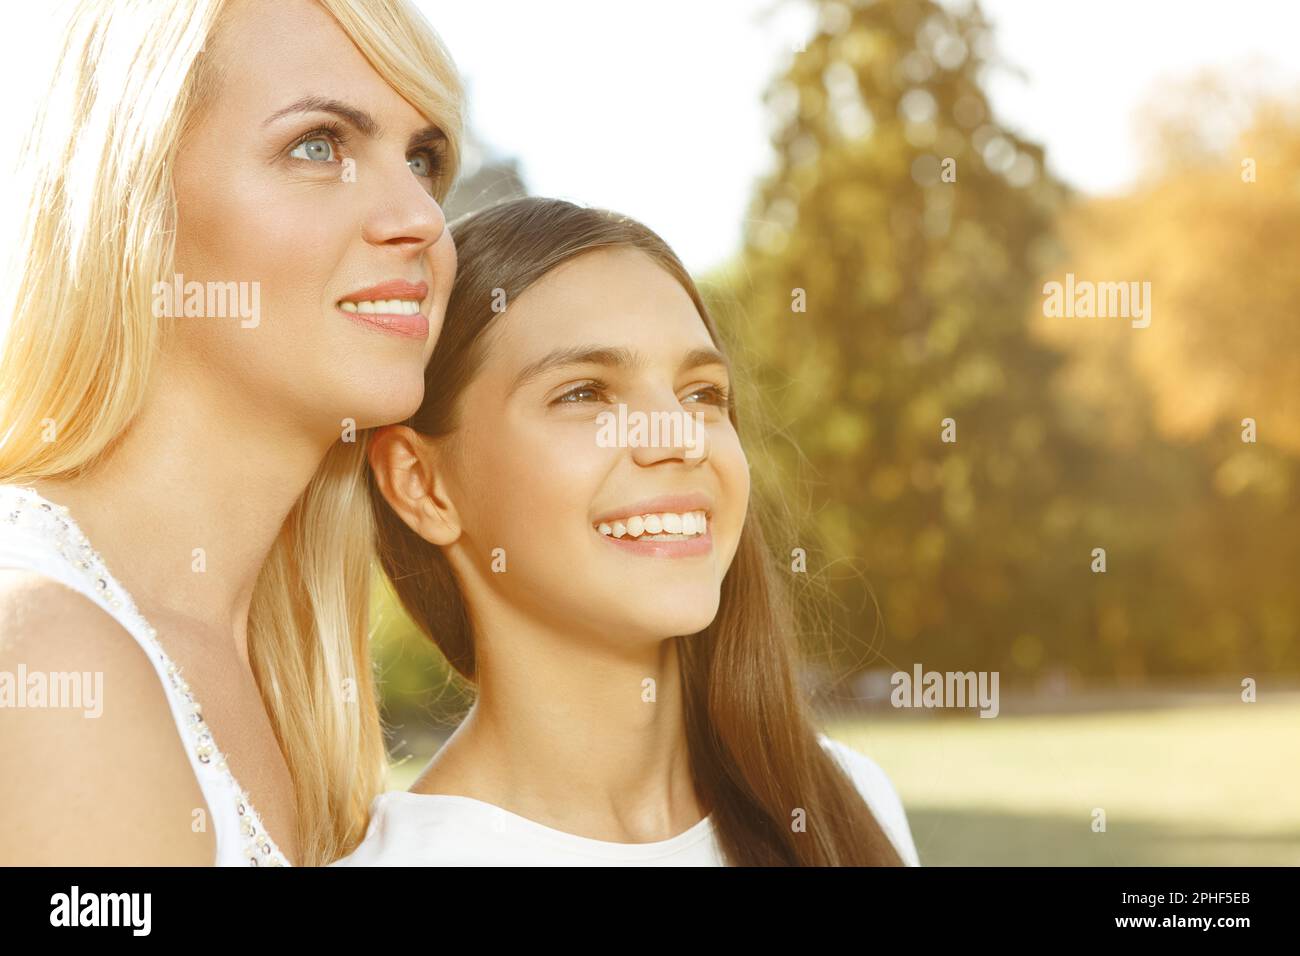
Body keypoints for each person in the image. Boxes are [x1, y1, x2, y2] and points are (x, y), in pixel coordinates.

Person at [0, 0, 463, 866]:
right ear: (133, 201)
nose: (423, 218)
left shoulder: (283, 683)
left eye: (423, 158)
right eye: (319, 145)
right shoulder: (46, 658)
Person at [338, 197, 920, 865]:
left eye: (701, 394)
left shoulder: (847, 805)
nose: (676, 437)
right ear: (422, 483)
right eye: (584, 393)